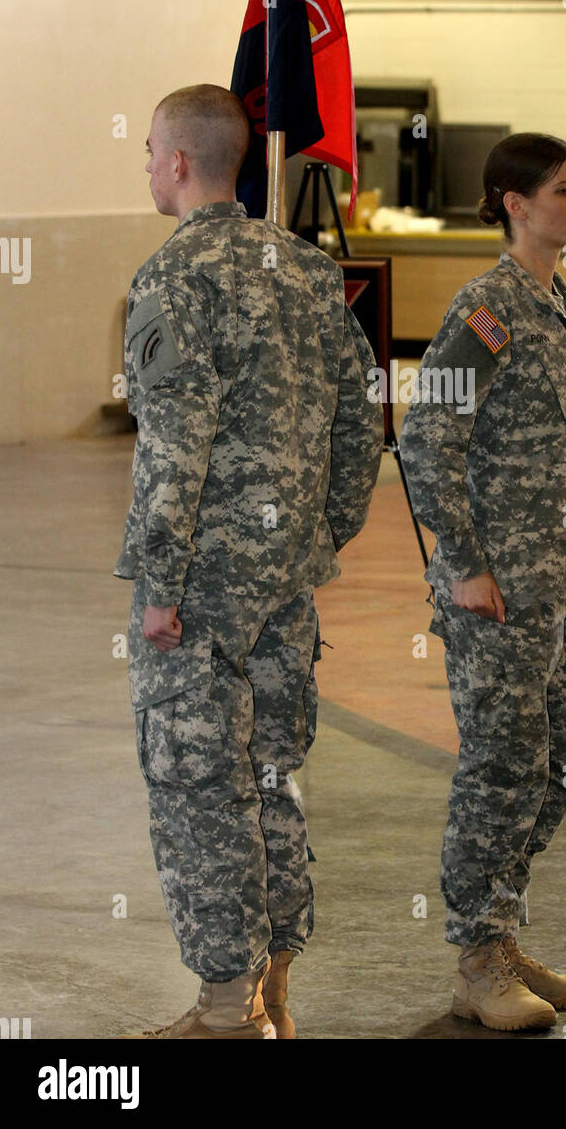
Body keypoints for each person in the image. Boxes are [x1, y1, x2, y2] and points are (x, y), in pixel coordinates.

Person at [115, 84, 382, 1039]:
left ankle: (226, 1013)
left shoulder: (172, 279)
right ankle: (276, 997)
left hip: (198, 594)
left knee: (199, 786)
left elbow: (173, 442)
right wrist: (317, 539)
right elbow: (362, 426)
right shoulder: (310, 272)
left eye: (149, 150)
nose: (146, 165)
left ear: (180, 163)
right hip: (286, 588)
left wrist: (158, 581)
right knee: (274, 778)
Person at [400, 132, 566, 1033]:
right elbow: (424, 434)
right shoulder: (488, 310)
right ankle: (477, 961)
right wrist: (465, 565)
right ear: (515, 204)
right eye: (564, 191)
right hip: (501, 592)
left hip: (564, 583)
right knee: (498, 772)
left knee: (551, 772)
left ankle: (505, 935)